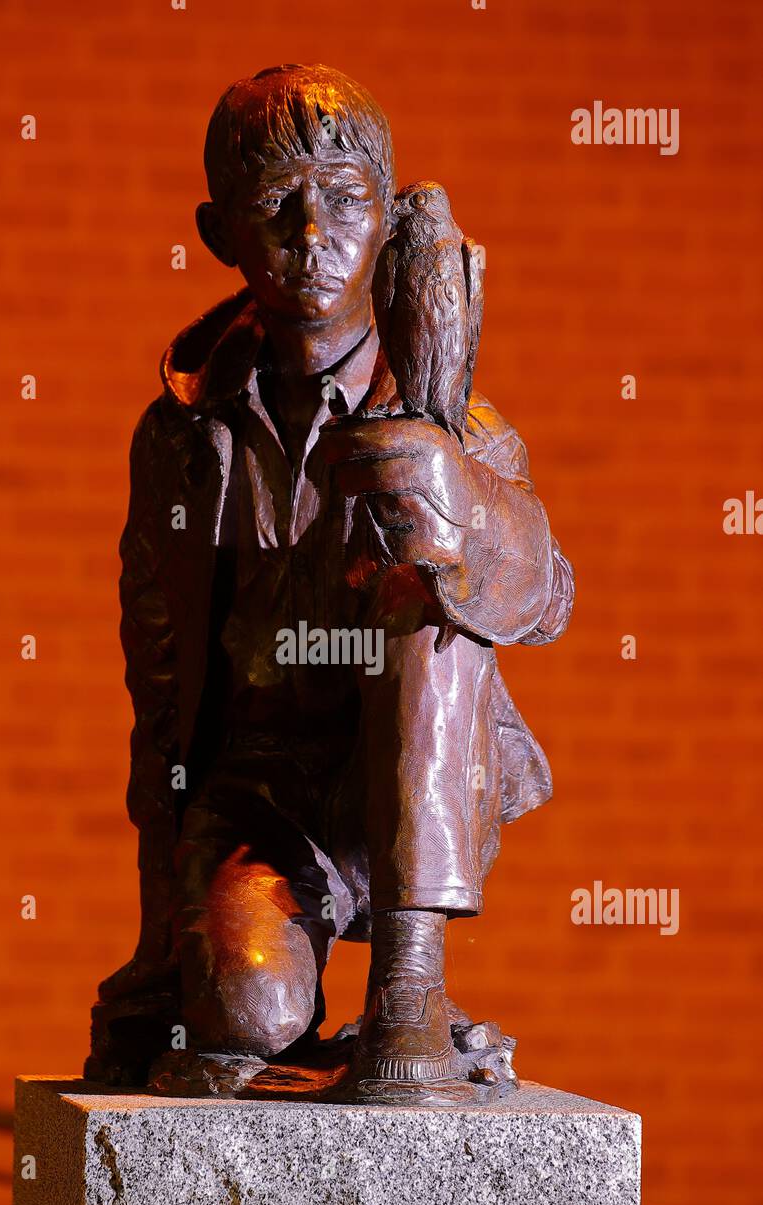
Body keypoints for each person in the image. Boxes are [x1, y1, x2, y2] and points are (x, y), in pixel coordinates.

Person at [85, 64, 574, 1101]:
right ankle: (304, 1010)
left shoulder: (450, 420)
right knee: (243, 1014)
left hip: (398, 765)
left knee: (423, 595)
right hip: (256, 791)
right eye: (275, 204)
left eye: (345, 197)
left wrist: (461, 509)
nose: (313, 231)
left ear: (388, 218)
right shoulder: (179, 434)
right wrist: (156, 941)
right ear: (220, 234)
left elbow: (544, 594)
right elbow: (161, 691)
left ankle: (408, 994)